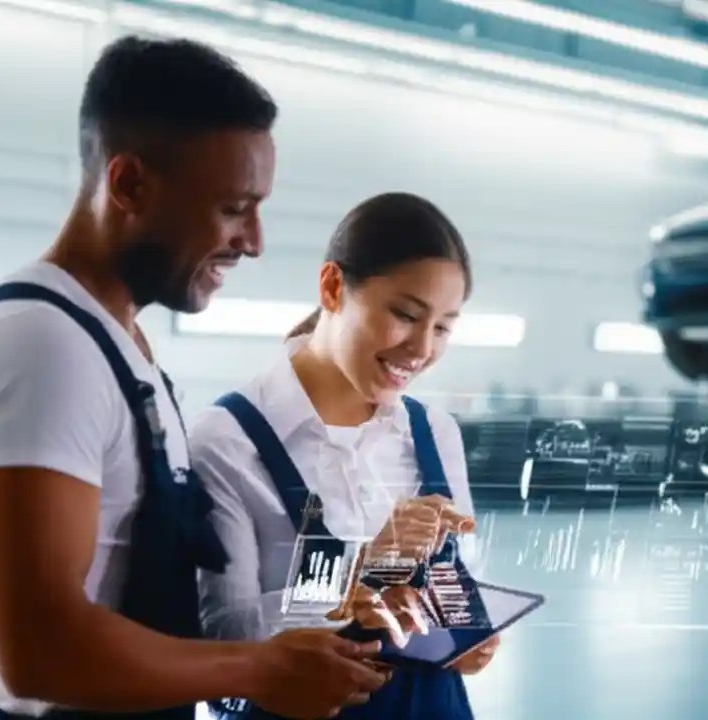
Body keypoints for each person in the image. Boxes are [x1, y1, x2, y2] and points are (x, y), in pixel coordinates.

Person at [0, 36, 391, 720]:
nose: (254, 240)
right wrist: (259, 667)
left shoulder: (119, 344)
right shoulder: (40, 346)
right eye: (234, 207)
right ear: (128, 185)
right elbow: (38, 651)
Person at [190, 192, 499, 719]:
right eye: (405, 314)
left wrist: (466, 626)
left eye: (443, 327)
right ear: (333, 288)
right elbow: (225, 634)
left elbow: (451, 573)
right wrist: (358, 572)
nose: (422, 349)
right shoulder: (227, 441)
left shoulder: (435, 432)